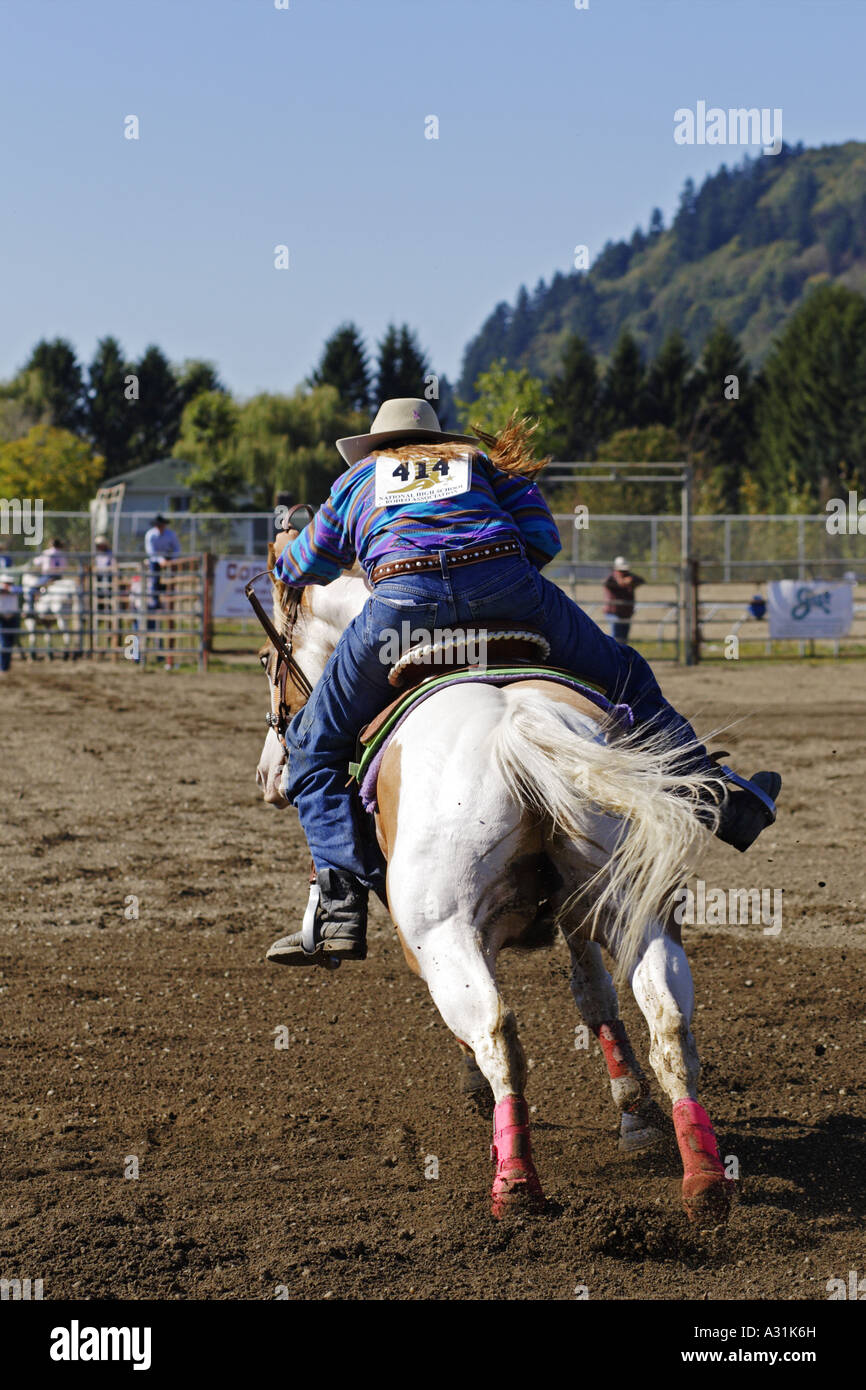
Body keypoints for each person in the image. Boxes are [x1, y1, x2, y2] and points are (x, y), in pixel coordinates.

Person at [265, 398, 781, 967]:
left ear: (374, 445)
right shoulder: (478, 463)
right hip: (507, 589)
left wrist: (296, 550)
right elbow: (543, 540)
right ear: (437, 436)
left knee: (313, 741)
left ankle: (339, 904)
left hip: (403, 611)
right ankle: (714, 797)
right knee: (625, 672)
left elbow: (301, 569)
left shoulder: (357, 479)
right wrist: (486, 579)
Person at [143, 514, 180, 613]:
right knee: (155, 578)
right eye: (158, 525)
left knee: (172, 578)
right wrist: (161, 560)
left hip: (169, 557)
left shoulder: (171, 534)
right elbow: (150, 552)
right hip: (155, 559)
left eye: (161, 525)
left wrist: (172, 559)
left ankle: (171, 598)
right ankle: (156, 602)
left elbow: (177, 548)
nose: (160, 527)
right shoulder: (150, 534)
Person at [603, 556, 644, 643]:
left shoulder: (630, 577)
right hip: (614, 613)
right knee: (616, 638)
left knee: (624, 639)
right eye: (621, 570)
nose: (623, 572)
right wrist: (621, 582)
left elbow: (641, 580)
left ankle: (620, 656)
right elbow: (607, 583)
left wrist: (630, 580)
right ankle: (615, 656)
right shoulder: (611, 578)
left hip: (626, 613)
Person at [25, 537, 68, 614]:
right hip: (59, 577)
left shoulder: (47, 552)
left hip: (48, 576)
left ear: (51, 544)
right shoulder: (62, 553)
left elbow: (36, 562)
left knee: (31, 590)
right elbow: (64, 567)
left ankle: (30, 611)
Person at [0, 574, 18, 672]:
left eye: (10, 583)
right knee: (3, 643)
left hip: (12, 618)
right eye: (6, 583)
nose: (8, 585)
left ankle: (6, 666)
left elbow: (18, 589)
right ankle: (2, 666)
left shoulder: (14, 590)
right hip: (2, 618)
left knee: (9, 643)